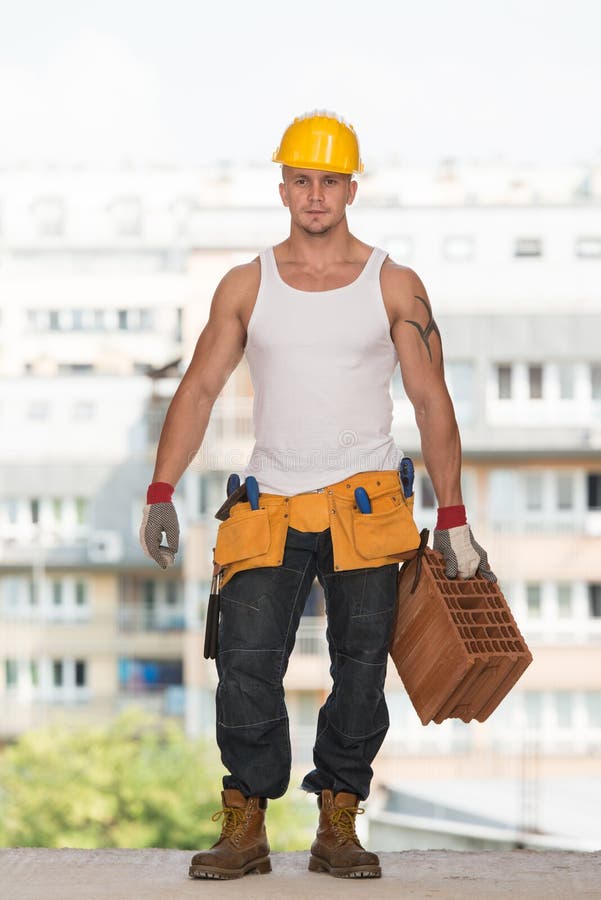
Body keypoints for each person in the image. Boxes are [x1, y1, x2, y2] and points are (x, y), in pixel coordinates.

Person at [139, 110, 496, 880]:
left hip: (366, 505)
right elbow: (200, 389)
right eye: (301, 180)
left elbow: (431, 402)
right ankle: (246, 825)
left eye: (328, 181)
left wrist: (454, 514)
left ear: (349, 189)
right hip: (269, 502)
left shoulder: (391, 283)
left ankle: (338, 822)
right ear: (282, 187)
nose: (314, 195)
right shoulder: (247, 283)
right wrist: (160, 490)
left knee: (362, 670)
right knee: (244, 665)